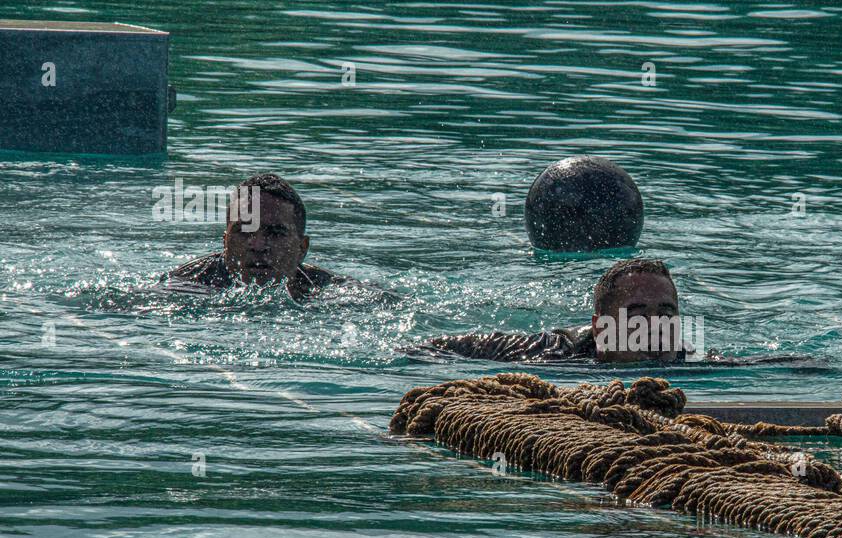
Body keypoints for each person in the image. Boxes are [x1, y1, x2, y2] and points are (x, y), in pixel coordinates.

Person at [405, 259, 687, 363]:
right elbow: (440, 346)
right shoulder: (552, 351)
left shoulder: (691, 359)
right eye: (636, 314)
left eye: (666, 313)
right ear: (601, 328)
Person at [160, 173, 349, 301]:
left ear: (302, 248)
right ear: (225, 243)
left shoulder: (333, 291)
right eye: (244, 231)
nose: (258, 246)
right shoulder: (184, 286)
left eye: (275, 233)